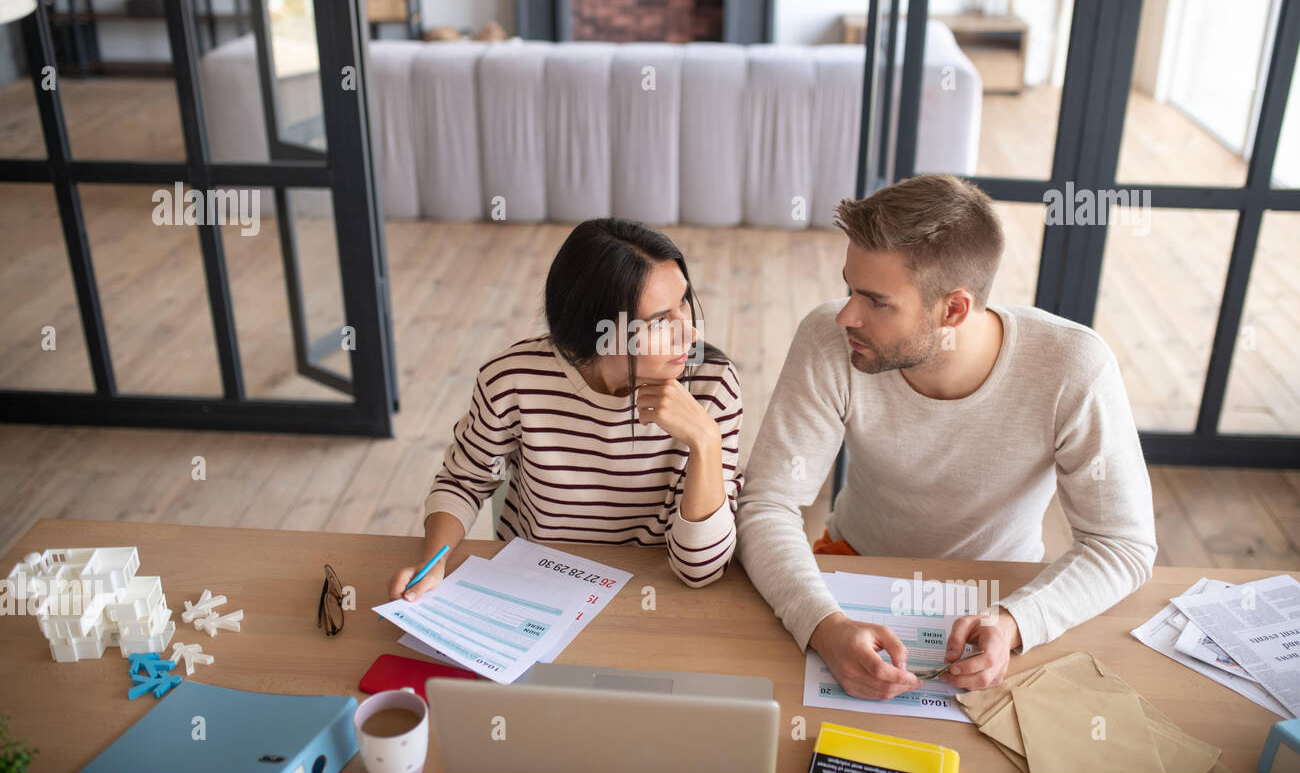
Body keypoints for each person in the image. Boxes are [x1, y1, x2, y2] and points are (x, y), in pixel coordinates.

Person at [736, 173, 1157, 700]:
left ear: (953, 309)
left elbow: (1123, 544)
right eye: (849, 288)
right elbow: (767, 503)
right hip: (850, 566)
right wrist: (824, 625)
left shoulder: (1074, 366)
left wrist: (1013, 622)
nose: (846, 314)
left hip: (1005, 593)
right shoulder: (830, 341)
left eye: (875, 300)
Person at [389, 217, 743, 601]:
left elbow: (700, 570)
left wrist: (706, 440)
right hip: (532, 596)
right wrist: (433, 563)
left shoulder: (712, 386)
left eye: (684, 303)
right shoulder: (513, 378)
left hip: (650, 600)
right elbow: (463, 482)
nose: (690, 334)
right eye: (659, 321)